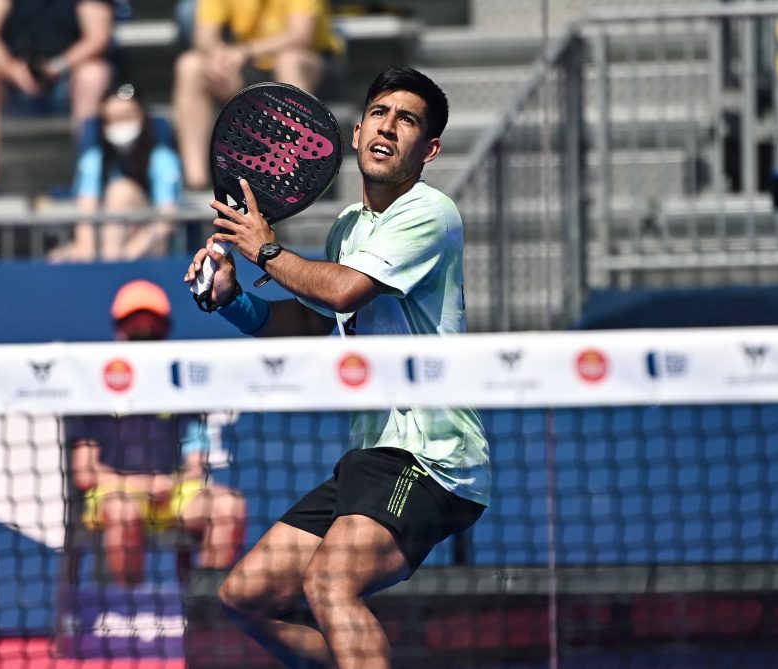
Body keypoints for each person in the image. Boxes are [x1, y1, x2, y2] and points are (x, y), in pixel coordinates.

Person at [183, 67, 489, 669]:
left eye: (407, 120)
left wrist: (266, 249)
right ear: (356, 133)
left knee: (330, 584)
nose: (388, 126)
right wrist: (234, 300)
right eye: (380, 113)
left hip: (432, 455)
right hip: (370, 455)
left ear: (428, 150)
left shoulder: (431, 211)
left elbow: (345, 291)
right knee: (247, 598)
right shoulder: (348, 227)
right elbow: (316, 319)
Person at [67, 279, 247, 585]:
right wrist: (139, 483)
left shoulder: (181, 389)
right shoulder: (94, 388)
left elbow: (195, 464)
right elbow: (84, 472)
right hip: (116, 495)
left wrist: (169, 482)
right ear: (119, 331)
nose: (144, 337)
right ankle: (131, 609)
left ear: (165, 331)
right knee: (124, 514)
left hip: (171, 492)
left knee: (228, 506)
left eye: (151, 330)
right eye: (135, 329)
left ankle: (204, 607)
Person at [172, 0, 345, 190]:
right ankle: (197, 182)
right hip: (251, 63)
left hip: (311, 61)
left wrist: (245, 51)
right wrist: (220, 56)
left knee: (289, 61)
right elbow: (204, 37)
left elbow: (301, 36)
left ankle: (298, 173)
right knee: (190, 66)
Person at [0, 0, 114, 193]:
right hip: (11, 80)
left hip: (66, 77)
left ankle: (90, 178)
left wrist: (57, 66)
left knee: (94, 75)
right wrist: (12, 69)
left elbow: (97, 38)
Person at [51, 84, 182, 262]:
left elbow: (166, 221)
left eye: (127, 116)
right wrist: (87, 258)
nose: (120, 124)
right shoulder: (93, 160)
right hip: (105, 246)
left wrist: (124, 257)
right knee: (57, 258)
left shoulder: (162, 159)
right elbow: (86, 218)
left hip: (149, 245)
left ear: (142, 117)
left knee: (120, 191)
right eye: (112, 119)